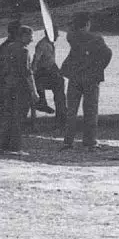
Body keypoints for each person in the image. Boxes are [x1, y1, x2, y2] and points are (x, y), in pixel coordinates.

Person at [60, 15, 112, 150]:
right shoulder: (97, 39)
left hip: (75, 77)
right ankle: (90, 142)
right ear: (88, 24)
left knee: (71, 111)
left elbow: (71, 31)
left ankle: (68, 141)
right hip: (91, 78)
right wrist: (98, 68)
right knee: (91, 111)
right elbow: (108, 54)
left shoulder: (71, 37)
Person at [0, 21, 35, 154]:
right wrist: (33, 92)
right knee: (19, 118)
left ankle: (2, 145)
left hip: (9, 85)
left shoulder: (8, 47)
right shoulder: (24, 51)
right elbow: (27, 73)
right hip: (21, 87)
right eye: (30, 36)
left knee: (8, 117)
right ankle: (16, 147)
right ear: (23, 36)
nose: (32, 40)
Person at [31, 32, 66, 129]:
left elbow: (51, 61)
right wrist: (33, 74)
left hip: (49, 71)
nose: (57, 37)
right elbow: (36, 59)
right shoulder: (42, 45)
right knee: (58, 85)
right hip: (42, 73)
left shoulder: (50, 44)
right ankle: (43, 102)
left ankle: (61, 114)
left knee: (60, 83)